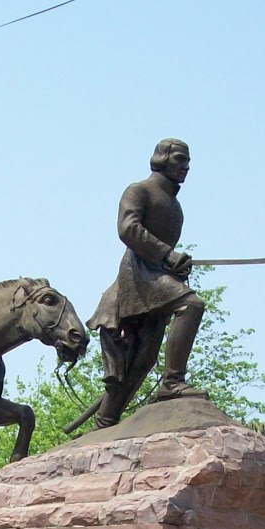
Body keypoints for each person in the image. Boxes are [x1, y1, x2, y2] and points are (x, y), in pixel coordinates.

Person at [85, 138, 207, 427]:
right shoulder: (139, 190)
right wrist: (167, 254)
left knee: (144, 356)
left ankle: (106, 419)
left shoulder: (174, 205)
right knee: (191, 305)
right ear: (162, 158)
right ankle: (173, 382)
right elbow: (128, 229)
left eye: (188, 161)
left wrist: (175, 266)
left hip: (156, 274)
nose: (186, 166)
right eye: (180, 159)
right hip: (138, 274)